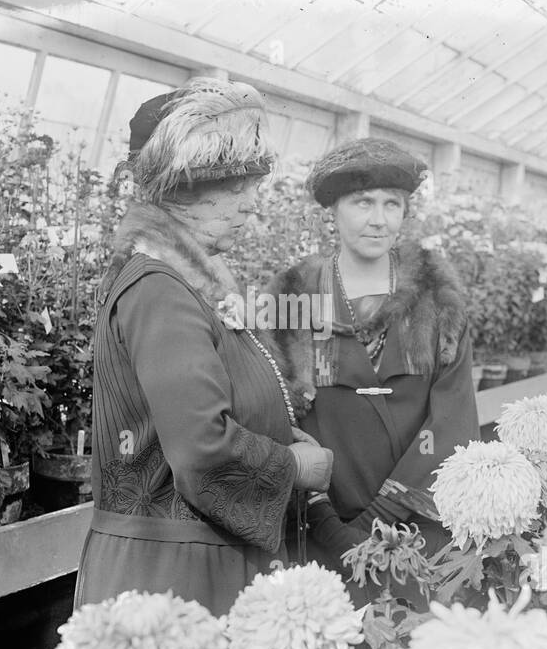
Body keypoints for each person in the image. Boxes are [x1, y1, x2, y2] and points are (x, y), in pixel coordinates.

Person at [74, 78, 334, 617]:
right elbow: (199, 448)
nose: (250, 206)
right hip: (173, 582)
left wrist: (277, 427)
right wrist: (297, 467)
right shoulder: (160, 291)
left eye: (252, 186)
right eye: (235, 188)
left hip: (195, 563)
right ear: (181, 187)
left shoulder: (193, 279)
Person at [268, 138, 478, 605]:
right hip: (323, 536)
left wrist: (378, 519)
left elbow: (453, 422)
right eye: (362, 202)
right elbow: (271, 415)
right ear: (334, 211)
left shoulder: (438, 303)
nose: (378, 218)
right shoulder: (290, 301)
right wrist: (325, 517)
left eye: (392, 204)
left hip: (419, 535)